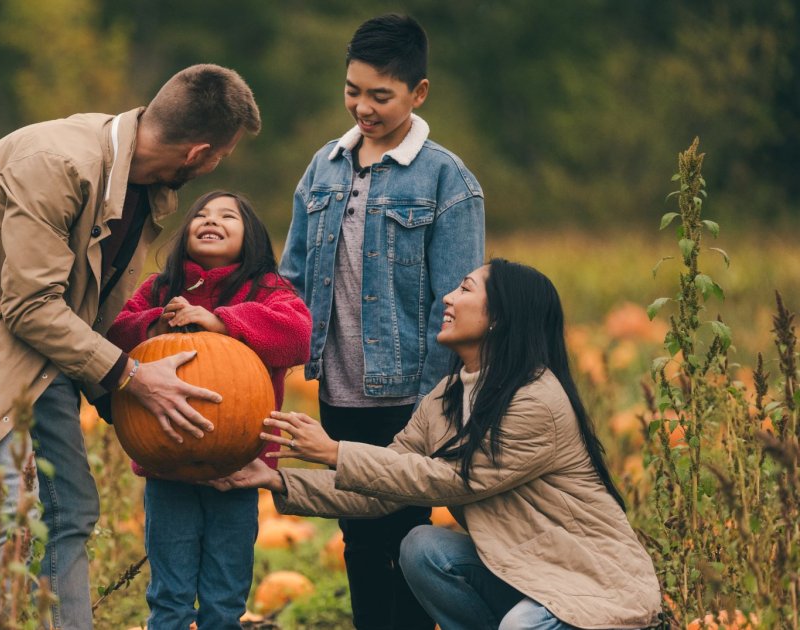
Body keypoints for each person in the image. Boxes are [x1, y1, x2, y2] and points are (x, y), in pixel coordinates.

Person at [0, 64, 262, 629]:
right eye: (221, 156)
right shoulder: (57, 163)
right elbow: (30, 304)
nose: (216, 167)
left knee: (72, 510)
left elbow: (83, 306)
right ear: (198, 153)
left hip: (38, 353)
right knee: (6, 512)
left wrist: (126, 397)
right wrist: (132, 378)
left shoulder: (140, 187)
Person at [212, 259, 663, 630]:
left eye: (465, 290)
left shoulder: (536, 400)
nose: (448, 298)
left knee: (521, 627)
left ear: (501, 317)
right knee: (423, 547)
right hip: (523, 568)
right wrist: (275, 479)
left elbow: (453, 481)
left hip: (587, 582)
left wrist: (335, 451)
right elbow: (385, 481)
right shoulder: (448, 396)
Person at [276, 13, 485, 629]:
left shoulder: (447, 179)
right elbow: (291, 279)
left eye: (380, 95)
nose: (362, 107)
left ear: (418, 93)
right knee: (359, 538)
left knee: (403, 540)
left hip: (411, 396)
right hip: (339, 387)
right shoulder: (324, 167)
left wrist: (434, 405)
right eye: (352, 90)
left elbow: (457, 307)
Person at [106, 191, 311, 629]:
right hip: (166, 464)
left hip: (238, 465)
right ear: (185, 233)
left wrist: (223, 321)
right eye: (200, 214)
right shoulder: (160, 288)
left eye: (226, 216)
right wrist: (157, 323)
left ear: (250, 235)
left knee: (224, 594)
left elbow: (297, 337)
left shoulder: (269, 290)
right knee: (170, 593)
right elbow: (115, 335)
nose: (210, 220)